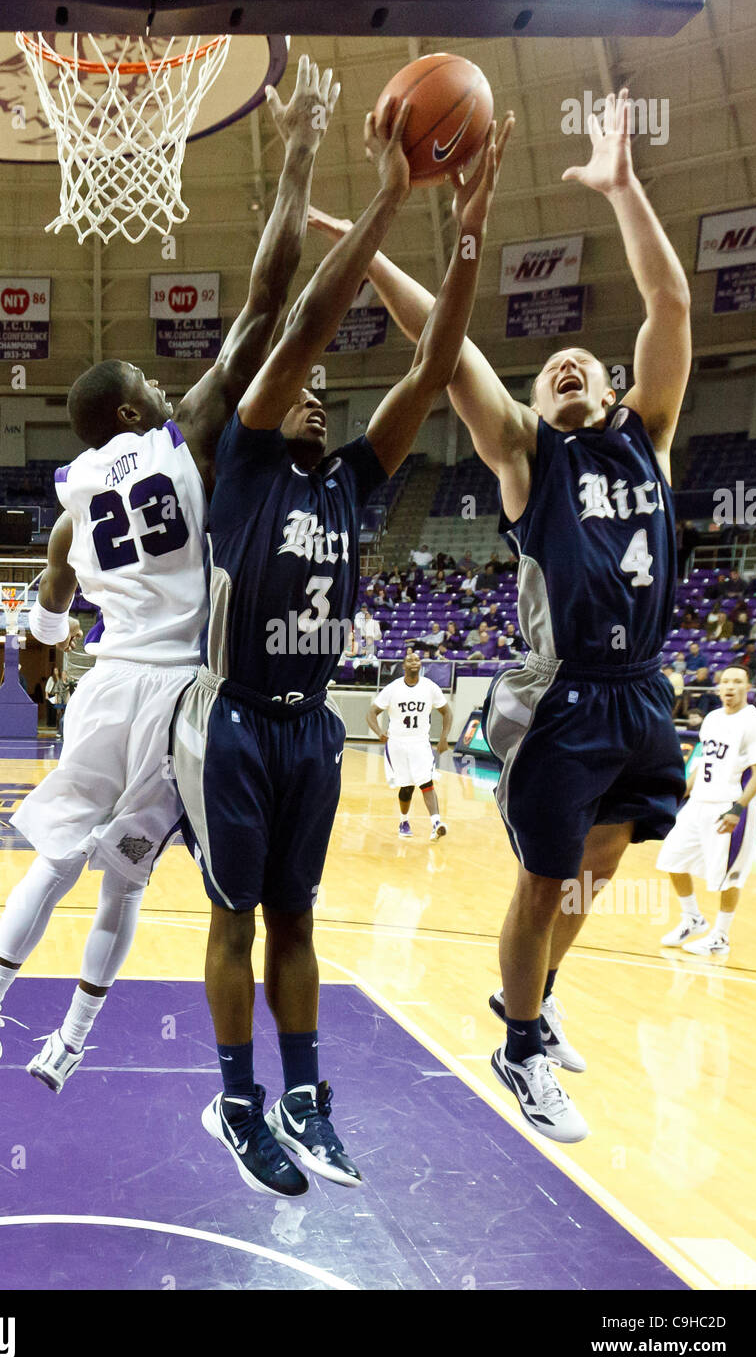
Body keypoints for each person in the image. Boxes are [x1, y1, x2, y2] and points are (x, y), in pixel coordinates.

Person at [0, 57, 340, 1089]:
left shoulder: (74, 489)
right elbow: (264, 306)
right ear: (134, 409)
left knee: (54, 857)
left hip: (107, 683)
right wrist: (295, 153)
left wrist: (41, 644)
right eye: (153, 383)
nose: (170, 386)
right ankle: (71, 1042)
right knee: (122, 886)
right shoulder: (181, 436)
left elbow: (46, 610)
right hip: (181, 697)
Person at [314, 88, 690, 1143]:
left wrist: (623, 188)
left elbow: (671, 308)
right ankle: (519, 1045)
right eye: (549, 368)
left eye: (585, 366)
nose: (565, 367)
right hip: (560, 695)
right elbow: (442, 342)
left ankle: (533, 999)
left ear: (615, 390)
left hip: (645, 696)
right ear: (538, 397)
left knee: (607, 862)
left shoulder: (651, 441)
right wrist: (379, 245)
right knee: (541, 881)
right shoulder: (530, 455)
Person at [172, 104, 511, 1195]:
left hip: (314, 726)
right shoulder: (250, 461)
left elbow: (435, 363)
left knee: (297, 916)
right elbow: (308, 323)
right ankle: (235, 1100)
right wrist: (387, 195)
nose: (315, 390)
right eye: (301, 383)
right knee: (234, 918)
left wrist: (468, 228)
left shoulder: (351, 485)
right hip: (230, 718)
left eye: (325, 389)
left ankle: (307, 1094)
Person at [657, 666, 756, 960]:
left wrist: (737, 809)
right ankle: (693, 918)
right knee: (672, 859)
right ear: (718, 688)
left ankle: (720, 936)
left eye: (737, 682)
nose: (730, 687)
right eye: (726, 682)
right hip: (698, 805)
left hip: (729, 806)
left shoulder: (755, 723)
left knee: (728, 877)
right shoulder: (712, 718)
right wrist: (679, 794)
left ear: (748, 688)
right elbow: (701, 763)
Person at [367, 649, 453, 839]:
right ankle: (403, 821)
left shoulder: (430, 687)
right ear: (404, 665)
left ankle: (436, 823)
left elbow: (447, 712)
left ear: (420, 665)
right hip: (397, 742)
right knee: (406, 787)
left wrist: (444, 736)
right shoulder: (392, 688)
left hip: (420, 742)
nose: (414, 661)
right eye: (410, 659)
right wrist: (379, 732)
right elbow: (371, 713)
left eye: (417, 659)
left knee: (426, 781)